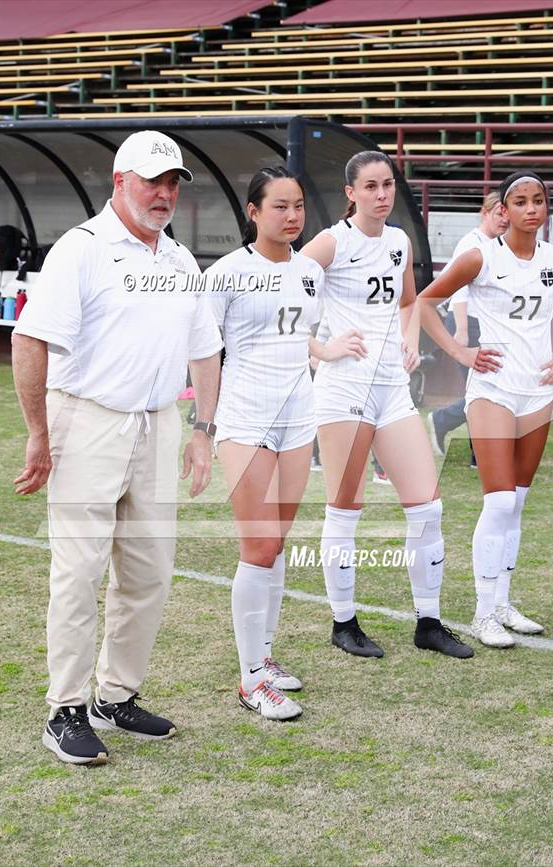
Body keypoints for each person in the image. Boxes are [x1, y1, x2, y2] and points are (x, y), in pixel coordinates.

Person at [11, 130, 223, 764]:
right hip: (87, 421)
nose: (163, 193)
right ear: (120, 181)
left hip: (159, 423)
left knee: (149, 574)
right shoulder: (82, 249)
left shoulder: (180, 261)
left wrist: (203, 430)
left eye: (172, 183)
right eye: (152, 180)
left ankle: (116, 696)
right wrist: (40, 433)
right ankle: (66, 711)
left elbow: (205, 348)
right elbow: (29, 340)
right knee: (78, 574)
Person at [417, 170, 553, 647]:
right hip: (493, 390)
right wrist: (461, 353)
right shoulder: (481, 256)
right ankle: (483, 614)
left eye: (538, 199)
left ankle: (502, 602)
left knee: (517, 502)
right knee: (499, 500)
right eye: (519, 201)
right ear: (503, 210)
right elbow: (425, 303)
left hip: (537, 392)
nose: (530, 208)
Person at [303, 150, 474, 660]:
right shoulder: (332, 242)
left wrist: (408, 341)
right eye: (371, 187)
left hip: (392, 390)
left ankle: (429, 623)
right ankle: (344, 623)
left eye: (388, 185)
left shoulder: (399, 241)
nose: (382, 195)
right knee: (346, 510)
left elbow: (408, 303)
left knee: (428, 507)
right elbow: (279, 298)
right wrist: (322, 349)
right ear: (350, 193)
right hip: (344, 390)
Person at [206, 167, 360, 720]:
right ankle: (250, 681)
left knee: (276, 545)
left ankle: (265, 660)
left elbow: (299, 336)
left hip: (299, 418)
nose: (292, 216)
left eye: (298, 206)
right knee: (258, 547)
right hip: (245, 419)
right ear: (253, 212)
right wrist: (203, 425)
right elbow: (203, 348)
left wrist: (327, 350)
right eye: (279, 206)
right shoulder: (226, 273)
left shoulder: (310, 272)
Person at [427, 193, 508, 465]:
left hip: (487, 325)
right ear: (484, 213)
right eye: (499, 213)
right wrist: (461, 330)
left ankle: (445, 422)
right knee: (483, 390)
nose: (504, 220)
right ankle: (477, 452)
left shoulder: (499, 245)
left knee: (489, 389)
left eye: (507, 215)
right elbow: (459, 289)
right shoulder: (471, 243)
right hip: (466, 323)